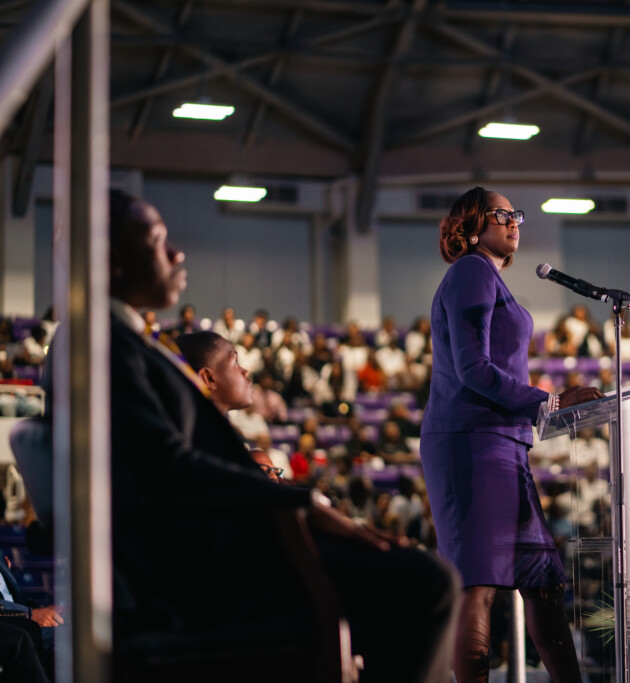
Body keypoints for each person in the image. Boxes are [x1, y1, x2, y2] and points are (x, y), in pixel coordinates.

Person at [79, 190, 459, 682]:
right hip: (208, 569)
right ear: (113, 263)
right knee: (427, 583)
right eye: (157, 242)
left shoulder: (128, 344)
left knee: (403, 577)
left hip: (224, 543)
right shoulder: (109, 347)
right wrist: (306, 505)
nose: (177, 253)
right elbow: (168, 466)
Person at [420, 187, 601, 683]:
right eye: (501, 214)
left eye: (515, 213)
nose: (513, 220)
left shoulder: (490, 280)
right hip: (470, 443)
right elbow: (474, 368)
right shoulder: (471, 271)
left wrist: (546, 407)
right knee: (478, 584)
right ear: (474, 227)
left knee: (541, 582)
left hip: (504, 444)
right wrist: (551, 400)